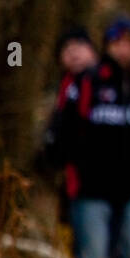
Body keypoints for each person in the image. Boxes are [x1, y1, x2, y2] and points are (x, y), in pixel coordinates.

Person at [53, 15, 130, 258]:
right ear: (107, 45)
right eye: (117, 43)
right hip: (91, 190)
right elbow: (66, 130)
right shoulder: (87, 82)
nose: (124, 50)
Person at [38, 26, 99, 227]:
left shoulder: (107, 87)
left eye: (79, 45)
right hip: (65, 180)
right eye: (67, 48)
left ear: (92, 50)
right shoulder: (58, 92)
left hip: (99, 184)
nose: (73, 52)